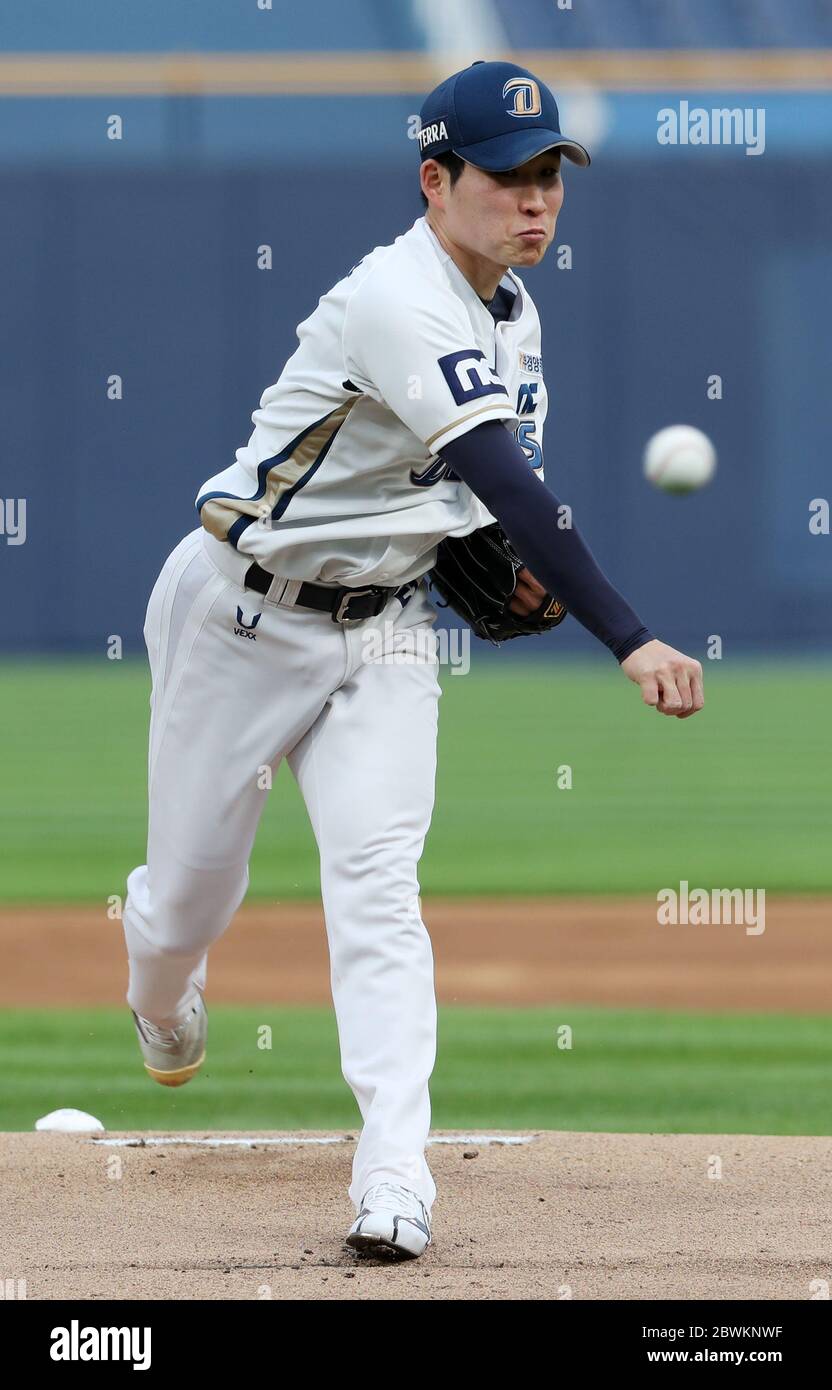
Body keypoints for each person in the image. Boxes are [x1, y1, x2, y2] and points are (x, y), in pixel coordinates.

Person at [122, 60, 704, 1263]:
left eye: (550, 176)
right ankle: (157, 989)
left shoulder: (511, 312)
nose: (534, 201)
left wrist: (497, 565)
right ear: (436, 181)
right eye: (506, 177)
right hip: (241, 609)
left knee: (379, 885)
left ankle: (394, 1176)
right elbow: (503, 478)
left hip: (384, 630)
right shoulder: (396, 295)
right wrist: (625, 630)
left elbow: (481, 513)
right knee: (187, 900)